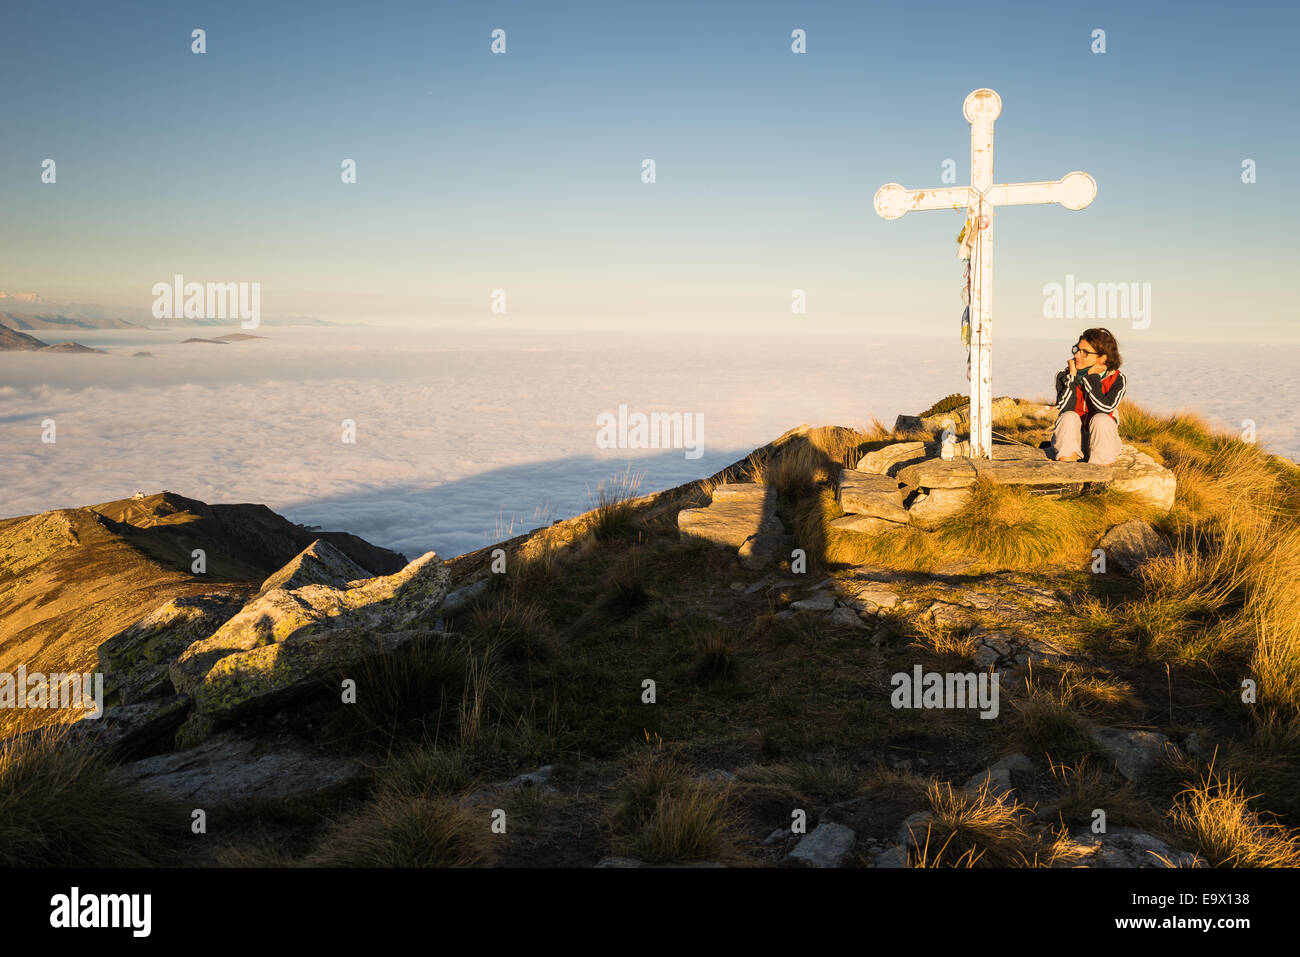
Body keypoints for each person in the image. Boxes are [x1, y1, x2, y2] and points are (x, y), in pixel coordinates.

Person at [1050, 327, 1126, 465]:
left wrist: (1092, 378)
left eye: (1085, 352)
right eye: (1077, 350)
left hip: (1102, 443)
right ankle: (1069, 478)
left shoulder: (1116, 379)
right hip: (1072, 442)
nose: (1077, 355)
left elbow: (1105, 408)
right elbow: (1064, 407)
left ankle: (1098, 481)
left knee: (1101, 419)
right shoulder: (1064, 376)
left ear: (1102, 358)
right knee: (1068, 417)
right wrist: (1072, 378)